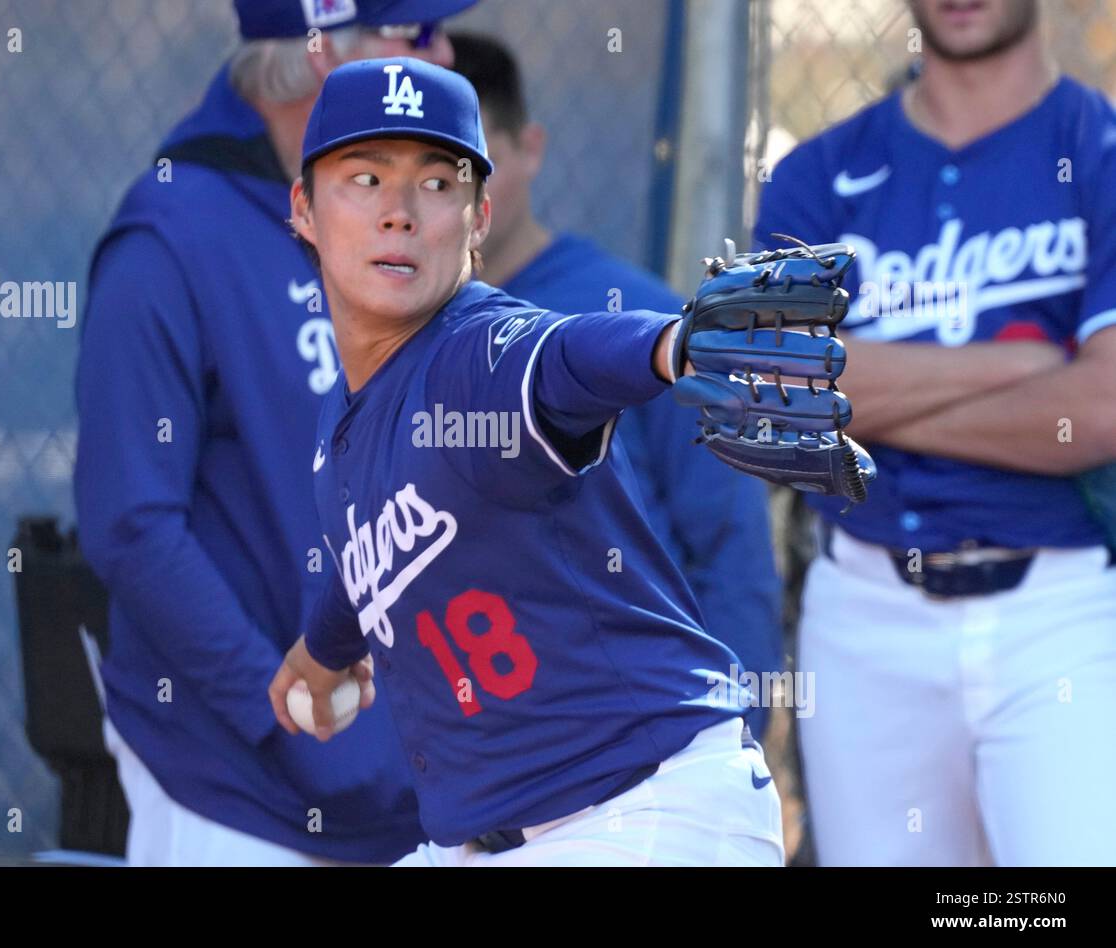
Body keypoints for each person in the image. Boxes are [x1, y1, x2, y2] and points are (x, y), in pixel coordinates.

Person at [268, 56, 816, 867]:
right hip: (514, 837)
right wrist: (320, 650)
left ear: (480, 216)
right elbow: (376, 550)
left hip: (645, 817)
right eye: (364, 177)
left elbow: (564, 357)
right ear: (304, 209)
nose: (400, 213)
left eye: (437, 183)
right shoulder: (347, 412)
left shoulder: (477, 353)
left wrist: (670, 344)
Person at [73, 0, 480, 867]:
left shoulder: (407, 223)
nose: (448, 51)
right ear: (325, 54)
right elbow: (129, 523)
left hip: (421, 787)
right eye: (417, 37)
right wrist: (278, 712)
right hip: (241, 798)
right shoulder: (170, 234)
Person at [754, 0, 1116, 865]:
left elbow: (1099, 413)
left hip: (1061, 607)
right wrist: (1022, 366)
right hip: (864, 609)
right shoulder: (818, 175)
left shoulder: (1100, 153)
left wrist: (863, 386)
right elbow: (775, 405)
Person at [448, 32, 783, 741]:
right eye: (429, 174)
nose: (456, 199)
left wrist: (736, 733)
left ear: (531, 148)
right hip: (470, 750)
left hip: (634, 740)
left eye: (478, 166)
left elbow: (731, 545)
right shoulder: (392, 338)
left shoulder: (641, 319)